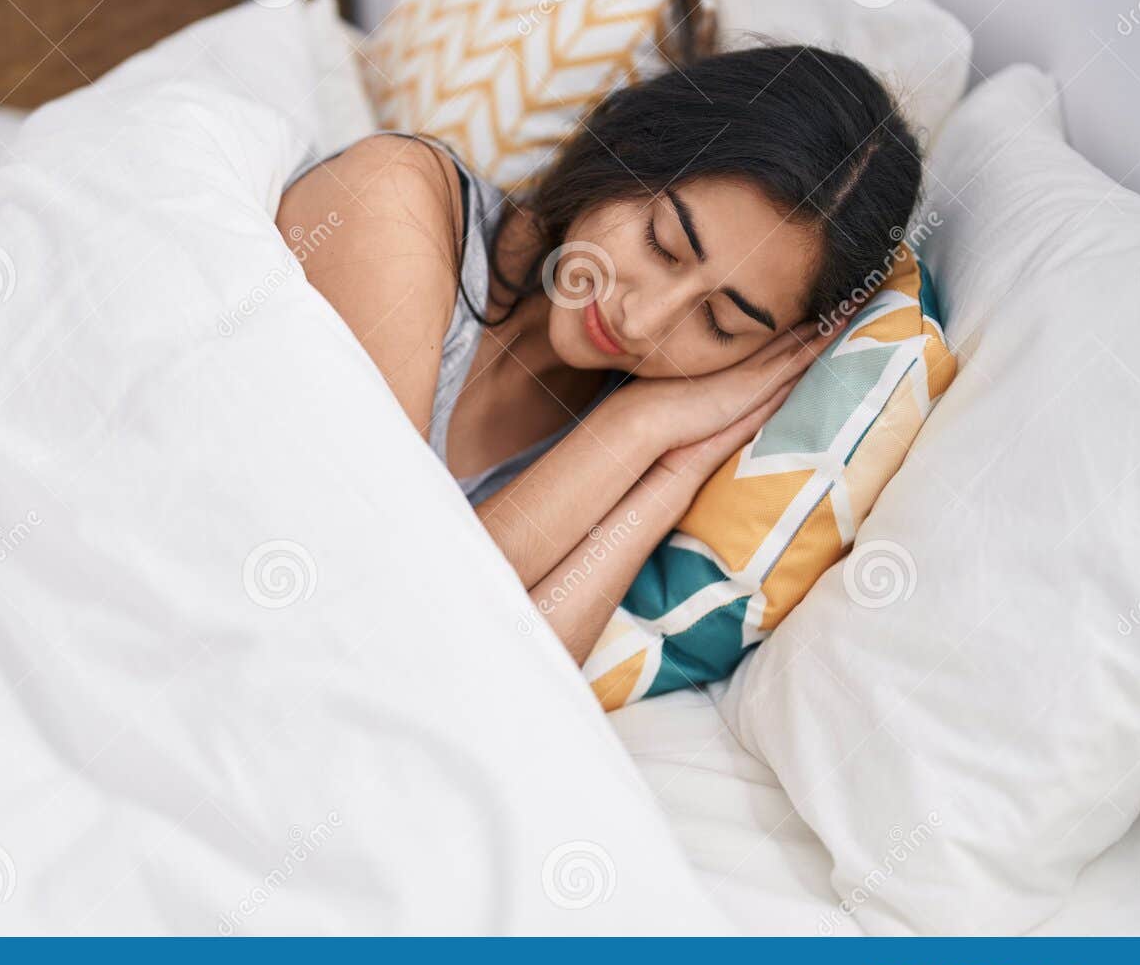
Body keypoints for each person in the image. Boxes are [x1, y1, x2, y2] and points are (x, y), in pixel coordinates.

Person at [276, 46, 921, 661]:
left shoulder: (627, 424)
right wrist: (633, 427)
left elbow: (514, 688)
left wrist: (671, 459)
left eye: (720, 322)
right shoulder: (394, 204)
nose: (641, 320)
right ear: (631, 148)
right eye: (662, 244)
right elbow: (376, 596)